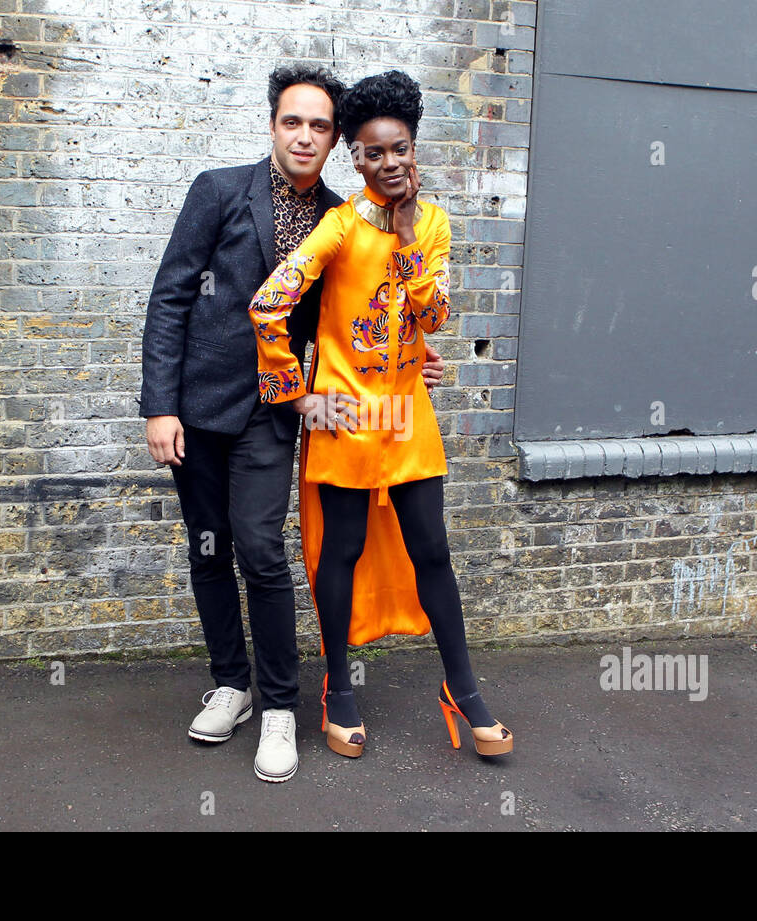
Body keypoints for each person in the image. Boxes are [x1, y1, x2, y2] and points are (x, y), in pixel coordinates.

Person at [139, 65, 447, 782]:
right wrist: (159, 404)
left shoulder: (342, 215)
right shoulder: (218, 191)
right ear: (273, 125)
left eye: (319, 125)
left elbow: (364, 318)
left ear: (334, 137)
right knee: (208, 549)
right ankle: (232, 686)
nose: (305, 134)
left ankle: (280, 705)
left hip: (277, 412)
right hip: (197, 405)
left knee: (260, 549)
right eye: (292, 121)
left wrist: (413, 360)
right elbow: (170, 298)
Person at [248, 70, 513, 760]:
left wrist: (408, 241)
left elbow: (435, 316)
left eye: (399, 149)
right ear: (354, 158)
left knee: (434, 550)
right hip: (343, 416)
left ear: (415, 149)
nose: (388, 163)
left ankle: (464, 689)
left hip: (407, 416)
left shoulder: (433, 222)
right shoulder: (337, 227)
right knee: (342, 549)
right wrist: (295, 392)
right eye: (371, 152)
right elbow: (268, 303)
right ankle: (339, 689)